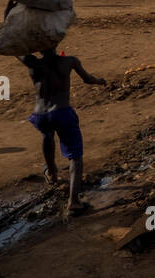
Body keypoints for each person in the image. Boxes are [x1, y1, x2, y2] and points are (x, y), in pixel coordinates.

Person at [19, 48, 106, 213]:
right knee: (75, 157)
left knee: (47, 136)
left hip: (41, 115)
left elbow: (14, 47)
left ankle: (52, 173)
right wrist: (99, 80)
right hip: (62, 112)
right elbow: (87, 79)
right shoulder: (69, 61)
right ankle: (73, 202)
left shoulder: (32, 62)